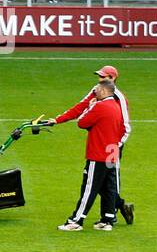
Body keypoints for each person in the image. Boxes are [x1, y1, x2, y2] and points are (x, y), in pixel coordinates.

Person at [52, 78, 126, 232]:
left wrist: (90, 107)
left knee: (89, 188)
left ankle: (76, 221)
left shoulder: (100, 106)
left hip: (98, 153)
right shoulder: (117, 106)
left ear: (105, 91)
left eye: (98, 90)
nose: (95, 92)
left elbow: (82, 122)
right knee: (108, 188)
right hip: (112, 152)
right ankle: (107, 219)